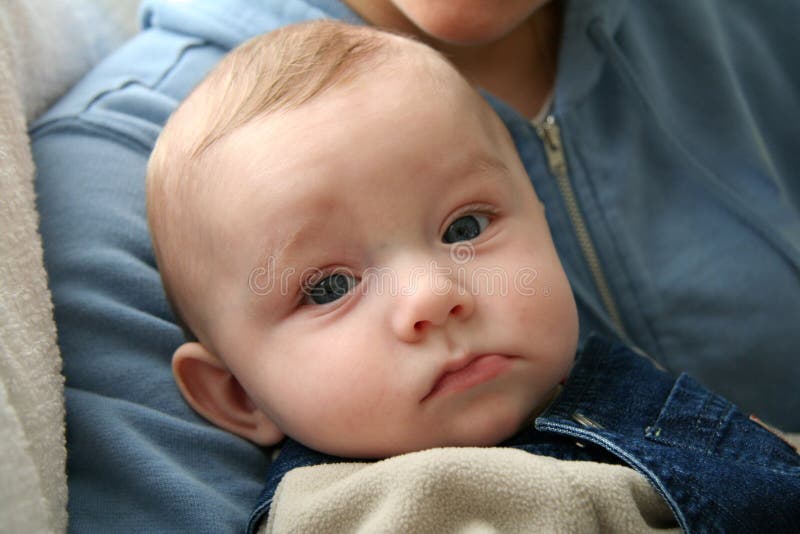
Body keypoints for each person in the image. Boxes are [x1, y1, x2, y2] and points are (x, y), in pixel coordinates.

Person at [30, 0, 800, 531]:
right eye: (330, 288)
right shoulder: (391, 511)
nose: (435, 295)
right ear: (236, 394)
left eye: (465, 227)